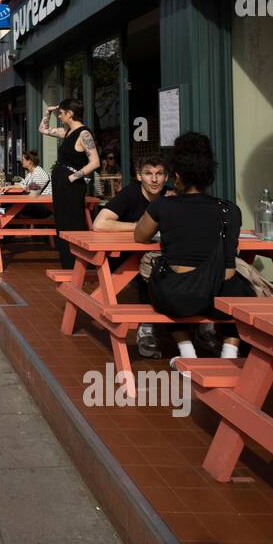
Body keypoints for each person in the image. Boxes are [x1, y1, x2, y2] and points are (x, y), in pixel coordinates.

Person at [134, 132, 254, 367]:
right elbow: (229, 262)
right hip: (220, 300)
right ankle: (229, 353)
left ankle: (186, 351)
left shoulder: (164, 205)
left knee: (158, 277)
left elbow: (140, 236)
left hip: (176, 299)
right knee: (240, 287)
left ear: (176, 175)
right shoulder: (230, 209)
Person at [93, 154, 169, 357]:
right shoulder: (130, 194)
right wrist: (138, 227)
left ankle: (201, 329)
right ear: (138, 176)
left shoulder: (170, 196)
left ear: (166, 177)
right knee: (151, 270)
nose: (154, 180)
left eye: (159, 174)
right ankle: (146, 328)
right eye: (148, 174)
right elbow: (99, 224)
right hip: (123, 255)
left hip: (159, 253)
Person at [42, 99, 100, 268]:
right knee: (62, 222)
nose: (59, 116)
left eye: (61, 113)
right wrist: (48, 112)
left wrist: (74, 177)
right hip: (62, 181)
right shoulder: (67, 132)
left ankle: (80, 264)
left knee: (73, 222)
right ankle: (68, 264)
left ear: (70, 113)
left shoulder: (84, 134)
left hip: (71, 184)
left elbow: (95, 162)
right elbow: (43, 129)